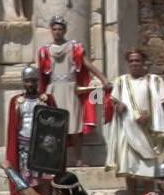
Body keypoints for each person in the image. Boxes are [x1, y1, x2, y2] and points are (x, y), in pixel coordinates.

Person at [38, 15, 113, 166]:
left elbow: (87, 65)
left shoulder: (74, 47)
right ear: (51, 31)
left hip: (71, 88)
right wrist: (40, 92)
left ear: (64, 30)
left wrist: (103, 78)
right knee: (54, 127)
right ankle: (57, 160)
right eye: (55, 29)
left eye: (60, 29)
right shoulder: (45, 50)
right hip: (53, 90)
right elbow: (41, 74)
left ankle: (79, 159)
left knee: (74, 126)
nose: (57, 32)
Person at [107, 49, 164, 195]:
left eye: (138, 61)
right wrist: (117, 106)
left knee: (147, 166)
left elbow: (163, 105)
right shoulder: (121, 81)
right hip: (127, 129)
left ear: (143, 62)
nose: (134, 64)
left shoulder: (154, 81)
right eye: (132, 61)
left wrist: (149, 116)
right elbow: (113, 102)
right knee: (129, 167)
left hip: (147, 129)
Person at [4, 65, 57, 195]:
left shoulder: (46, 99)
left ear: (38, 81)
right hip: (22, 150)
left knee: (44, 188)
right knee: (20, 188)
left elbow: (56, 125)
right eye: (27, 80)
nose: (30, 83)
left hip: (42, 150)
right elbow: (13, 129)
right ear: (23, 82)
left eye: (33, 80)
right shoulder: (16, 101)